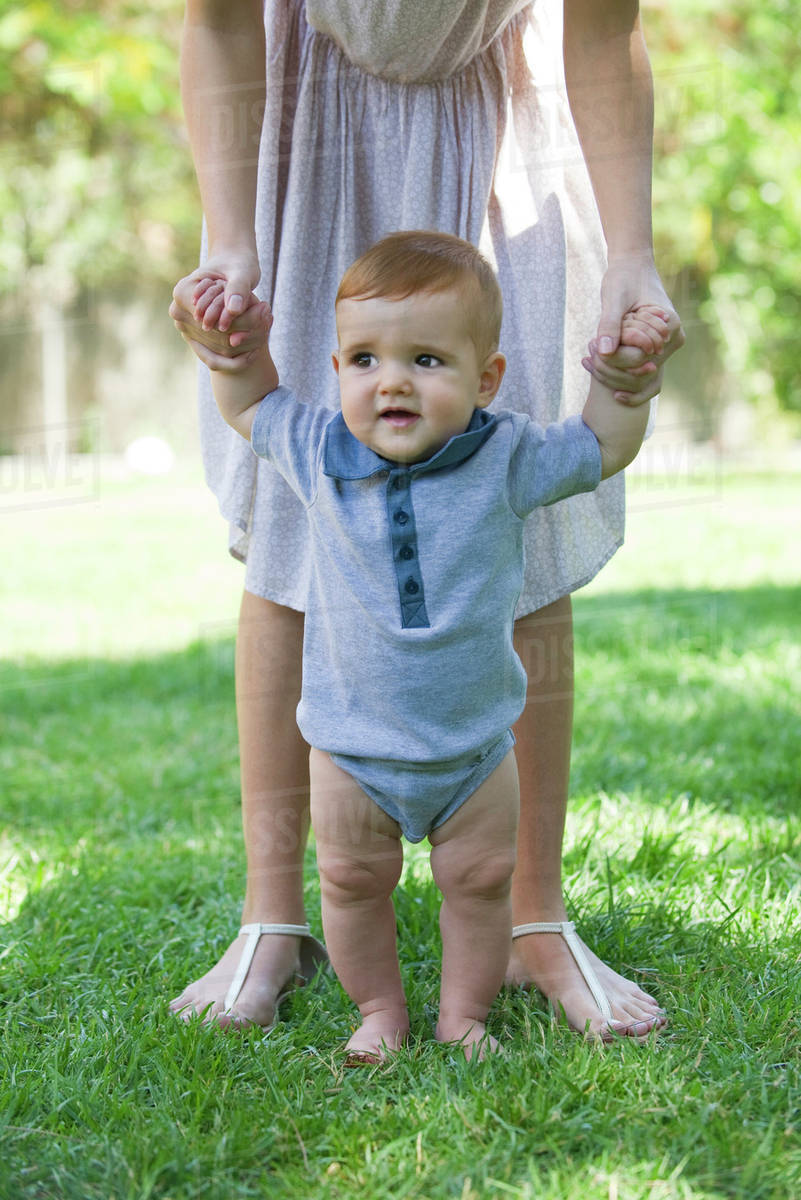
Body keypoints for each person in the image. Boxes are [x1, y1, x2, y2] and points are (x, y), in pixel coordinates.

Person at [169, 0, 683, 1039]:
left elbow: (603, 20)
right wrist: (231, 249)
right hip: (303, 119)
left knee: (522, 533)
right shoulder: (312, 419)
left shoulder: (504, 436)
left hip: (503, 112)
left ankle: (535, 918)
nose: (386, 383)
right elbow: (219, 17)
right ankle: (275, 916)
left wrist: (633, 257)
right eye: (361, 367)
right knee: (288, 527)